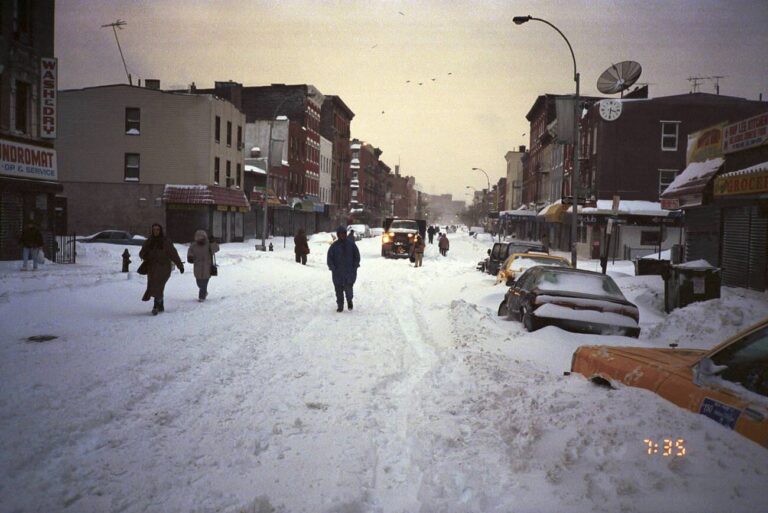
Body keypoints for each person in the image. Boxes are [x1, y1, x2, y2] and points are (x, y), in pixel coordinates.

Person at [139, 223, 184, 315]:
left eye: (157, 229)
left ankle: (155, 306)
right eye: (154, 229)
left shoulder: (166, 241)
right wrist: (145, 255)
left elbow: (173, 254)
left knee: (158, 285)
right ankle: (160, 305)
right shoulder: (149, 241)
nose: (156, 231)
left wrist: (180, 265)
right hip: (152, 268)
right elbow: (142, 252)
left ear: (161, 230)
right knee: (154, 286)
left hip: (164, 267)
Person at [327, 225, 360, 312]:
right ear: (338, 235)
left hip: (349, 272)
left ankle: (349, 300)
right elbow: (329, 258)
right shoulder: (334, 246)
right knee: (338, 291)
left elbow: (357, 256)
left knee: (348, 289)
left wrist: (355, 266)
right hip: (337, 273)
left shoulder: (351, 245)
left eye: (343, 234)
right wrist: (332, 267)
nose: (342, 235)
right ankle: (340, 305)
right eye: (340, 234)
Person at [187, 229, 219, 302]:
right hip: (197, 267)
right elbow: (190, 251)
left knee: (204, 283)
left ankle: (201, 297)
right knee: (199, 283)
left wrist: (213, 242)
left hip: (207, 267)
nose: (200, 239)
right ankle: (204, 291)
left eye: (202, 237)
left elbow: (216, 249)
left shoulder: (208, 244)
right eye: (198, 237)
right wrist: (190, 257)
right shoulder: (193, 245)